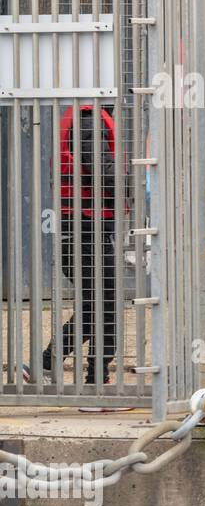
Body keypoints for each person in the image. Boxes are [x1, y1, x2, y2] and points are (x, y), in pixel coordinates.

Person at [36, 103, 120, 386]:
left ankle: (57, 364)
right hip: (85, 229)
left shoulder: (87, 117)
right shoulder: (89, 120)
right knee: (103, 306)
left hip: (85, 228)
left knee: (96, 305)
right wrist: (137, 183)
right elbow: (101, 168)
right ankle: (94, 376)